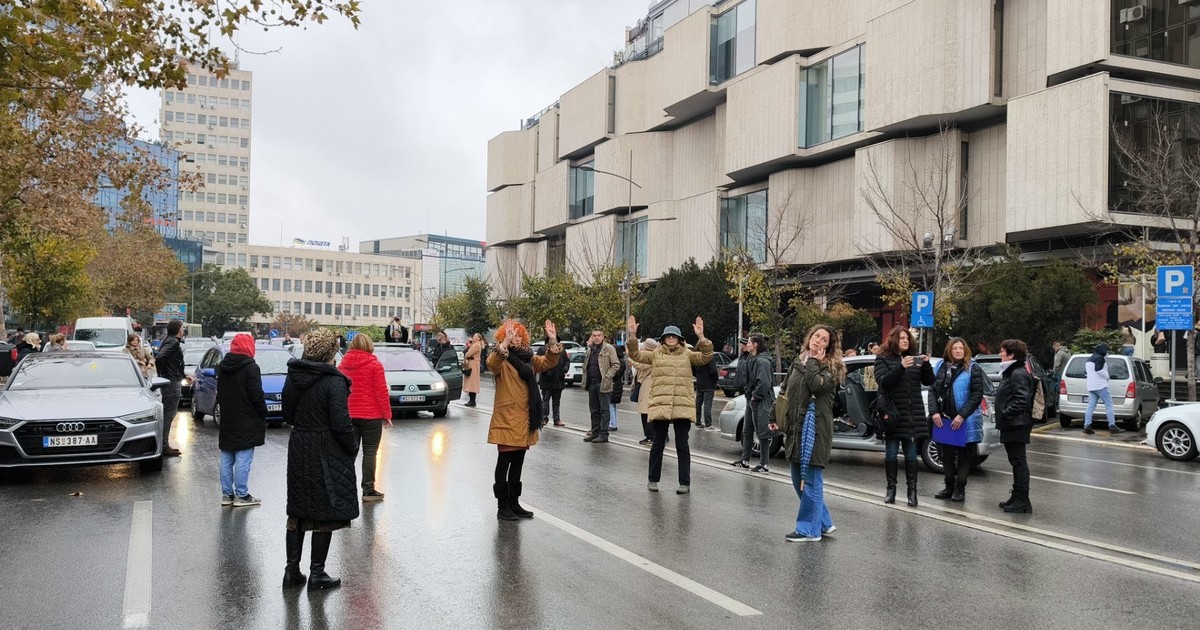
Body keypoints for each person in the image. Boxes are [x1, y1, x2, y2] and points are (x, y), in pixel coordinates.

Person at [282, 327, 360, 591]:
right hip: (326, 447)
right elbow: (341, 423)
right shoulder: (334, 381)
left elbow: (288, 414)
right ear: (331, 351)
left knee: (298, 508)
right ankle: (317, 573)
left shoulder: (294, 377)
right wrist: (351, 447)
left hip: (300, 444)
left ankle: (291, 571)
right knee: (324, 509)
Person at [625, 316, 713, 494]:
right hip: (661, 404)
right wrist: (633, 335)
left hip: (681, 404)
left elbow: (706, 357)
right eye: (668, 336)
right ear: (663, 339)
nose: (671, 339)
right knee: (658, 443)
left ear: (679, 339)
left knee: (682, 445)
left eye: (674, 336)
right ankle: (653, 479)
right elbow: (635, 355)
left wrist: (701, 337)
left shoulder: (687, 354)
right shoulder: (656, 354)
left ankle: (684, 483)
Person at [772, 324, 843, 542]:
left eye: (824, 340)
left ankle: (808, 530)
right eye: (816, 336)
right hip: (795, 429)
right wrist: (774, 416)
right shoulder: (798, 361)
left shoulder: (832, 367)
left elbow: (816, 385)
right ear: (809, 337)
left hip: (815, 430)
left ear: (829, 347)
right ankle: (823, 522)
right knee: (797, 479)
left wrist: (813, 361)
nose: (818, 341)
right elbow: (785, 389)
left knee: (810, 480)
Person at [487, 319, 561, 521]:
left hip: (525, 418)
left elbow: (549, 362)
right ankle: (502, 506)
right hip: (507, 418)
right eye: (511, 335)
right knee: (504, 462)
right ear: (503, 337)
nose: (516, 338)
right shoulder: (501, 358)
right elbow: (491, 364)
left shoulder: (529, 358)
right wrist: (504, 345)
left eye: (519, 335)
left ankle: (514, 503)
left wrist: (552, 339)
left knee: (518, 462)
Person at [874, 325, 934, 506]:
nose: (906, 341)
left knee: (910, 454)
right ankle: (890, 490)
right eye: (901, 338)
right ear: (893, 340)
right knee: (891, 453)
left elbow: (929, 381)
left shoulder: (914, 359)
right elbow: (883, 382)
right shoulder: (882, 359)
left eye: (907, 338)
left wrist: (926, 365)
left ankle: (912, 492)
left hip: (913, 414)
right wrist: (900, 367)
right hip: (893, 414)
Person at [928, 337, 985, 502]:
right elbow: (932, 390)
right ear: (949, 351)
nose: (958, 351)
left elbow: (976, 395)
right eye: (955, 348)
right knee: (946, 456)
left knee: (964, 456)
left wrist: (961, 415)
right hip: (944, 419)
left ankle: (960, 489)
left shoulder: (973, 368)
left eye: (961, 348)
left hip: (965, 420)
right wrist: (934, 412)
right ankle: (949, 487)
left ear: (965, 350)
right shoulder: (941, 367)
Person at [338, 333, 392, 502]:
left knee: (348, 454)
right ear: (369, 346)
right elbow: (381, 393)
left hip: (349, 415)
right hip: (371, 416)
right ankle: (368, 490)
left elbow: (339, 392)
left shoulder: (342, 365)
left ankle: (344, 489)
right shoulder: (375, 365)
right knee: (370, 453)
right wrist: (387, 415)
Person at [217, 333, 267, 508]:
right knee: (243, 457)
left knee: (226, 455)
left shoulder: (223, 367)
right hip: (247, 418)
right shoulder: (251, 368)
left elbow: (220, 393)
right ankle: (241, 495)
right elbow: (256, 395)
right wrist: (263, 412)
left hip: (228, 417)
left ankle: (226, 494)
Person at [994, 338, 1036, 514]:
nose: (1000, 354)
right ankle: (1017, 496)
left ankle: (1022, 500)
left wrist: (1006, 413)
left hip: (1016, 424)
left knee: (1019, 462)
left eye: (1003, 351)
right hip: (1012, 424)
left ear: (1011, 354)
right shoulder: (1012, 372)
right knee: (1016, 461)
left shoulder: (1017, 373)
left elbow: (1022, 400)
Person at [733, 334, 775, 472]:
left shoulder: (762, 362)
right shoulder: (751, 358)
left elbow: (764, 382)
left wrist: (755, 395)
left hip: (761, 400)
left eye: (750, 342)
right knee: (748, 429)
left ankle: (764, 464)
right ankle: (745, 460)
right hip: (752, 399)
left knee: (762, 431)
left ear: (756, 345)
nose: (747, 344)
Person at [581, 329, 619, 444]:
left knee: (604, 410)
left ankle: (603, 434)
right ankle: (595, 432)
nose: (596, 337)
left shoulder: (609, 348)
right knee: (594, 410)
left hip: (603, 383)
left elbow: (616, 364)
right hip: (592, 384)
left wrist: (607, 376)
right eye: (594, 336)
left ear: (603, 337)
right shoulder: (591, 349)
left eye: (598, 335)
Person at [156, 321, 185, 457]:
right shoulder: (173, 342)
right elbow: (160, 357)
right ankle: (163, 446)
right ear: (178, 330)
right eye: (182, 328)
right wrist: (168, 375)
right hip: (171, 382)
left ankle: (163, 444)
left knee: (168, 414)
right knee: (169, 414)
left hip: (171, 379)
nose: (183, 330)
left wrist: (182, 375)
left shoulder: (169, 340)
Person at [1083, 343, 1123, 435]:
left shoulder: (1089, 360)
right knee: (1109, 405)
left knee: (1091, 406)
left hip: (1091, 386)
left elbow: (1085, 373)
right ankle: (1112, 426)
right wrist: (1107, 376)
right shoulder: (1100, 358)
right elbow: (1099, 370)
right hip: (1101, 386)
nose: (1107, 354)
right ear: (1103, 352)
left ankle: (1087, 425)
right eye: (1107, 352)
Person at [631, 338, 659, 445]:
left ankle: (650, 436)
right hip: (647, 383)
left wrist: (632, 360)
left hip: (648, 383)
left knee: (646, 411)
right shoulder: (655, 354)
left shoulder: (651, 356)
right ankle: (653, 435)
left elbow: (641, 366)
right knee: (647, 411)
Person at [536, 337, 569, 426]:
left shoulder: (561, 351)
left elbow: (567, 361)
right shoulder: (542, 350)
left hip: (559, 380)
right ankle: (544, 418)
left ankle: (557, 419)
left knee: (556, 401)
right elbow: (538, 363)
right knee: (545, 400)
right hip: (547, 380)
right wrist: (546, 371)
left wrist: (564, 370)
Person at [693, 344, 719, 430]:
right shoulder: (709, 357)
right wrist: (715, 380)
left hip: (700, 382)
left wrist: (698, 376)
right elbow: (713, 371)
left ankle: (698, 422)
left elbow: (693, 370)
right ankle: (708, 424)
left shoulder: (697, 357)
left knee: (698, 403)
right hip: (709, 383)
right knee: (707, 404)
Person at [609, 340, 627, 432]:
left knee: (611, 405)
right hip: (616, 385)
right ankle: (613, 423)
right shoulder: (620, 361)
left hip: (615, 385)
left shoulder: (619, 362)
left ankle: (612, 424)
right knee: (612, 405)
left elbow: (616, 374)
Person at [463, 332, 483, 407]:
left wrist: (467, 354)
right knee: (471, 382)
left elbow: (468, 353)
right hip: (472, 363)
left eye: (475, 336)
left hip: (473, 363)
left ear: (479, 338)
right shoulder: (475, 344)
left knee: (472, 382)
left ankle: (472, 401)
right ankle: (471, 400)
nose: (474, 337)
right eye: (474, 336)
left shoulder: (476, 345)